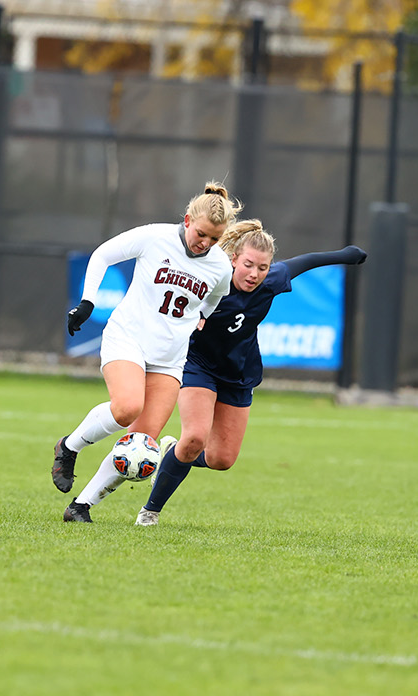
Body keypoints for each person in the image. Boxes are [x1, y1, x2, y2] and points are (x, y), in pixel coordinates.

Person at [135, 220, 366, 526]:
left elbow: (307, 261)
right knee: (194, 439)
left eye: (262, 267)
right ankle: (150, 512)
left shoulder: (272, 279)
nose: (255, 274)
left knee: (222, 459)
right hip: (198, 364)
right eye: (248, 265)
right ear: (233, 260)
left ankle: (173, 455)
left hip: (239, 370)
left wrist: (347, 255)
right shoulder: (210, 281)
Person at [52, 182, 239, 523]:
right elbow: (103, 255)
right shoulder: (156, 237)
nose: (206, 243)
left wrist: (201, 318)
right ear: (186, 220)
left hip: (169, 359)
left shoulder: (221, 266)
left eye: (214, 239)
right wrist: (87, 301)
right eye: (201, 234)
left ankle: (80, 507)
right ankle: (69, 447)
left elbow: (213, 300)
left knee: (141, 445)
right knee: (127, 408)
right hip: (129, 339)